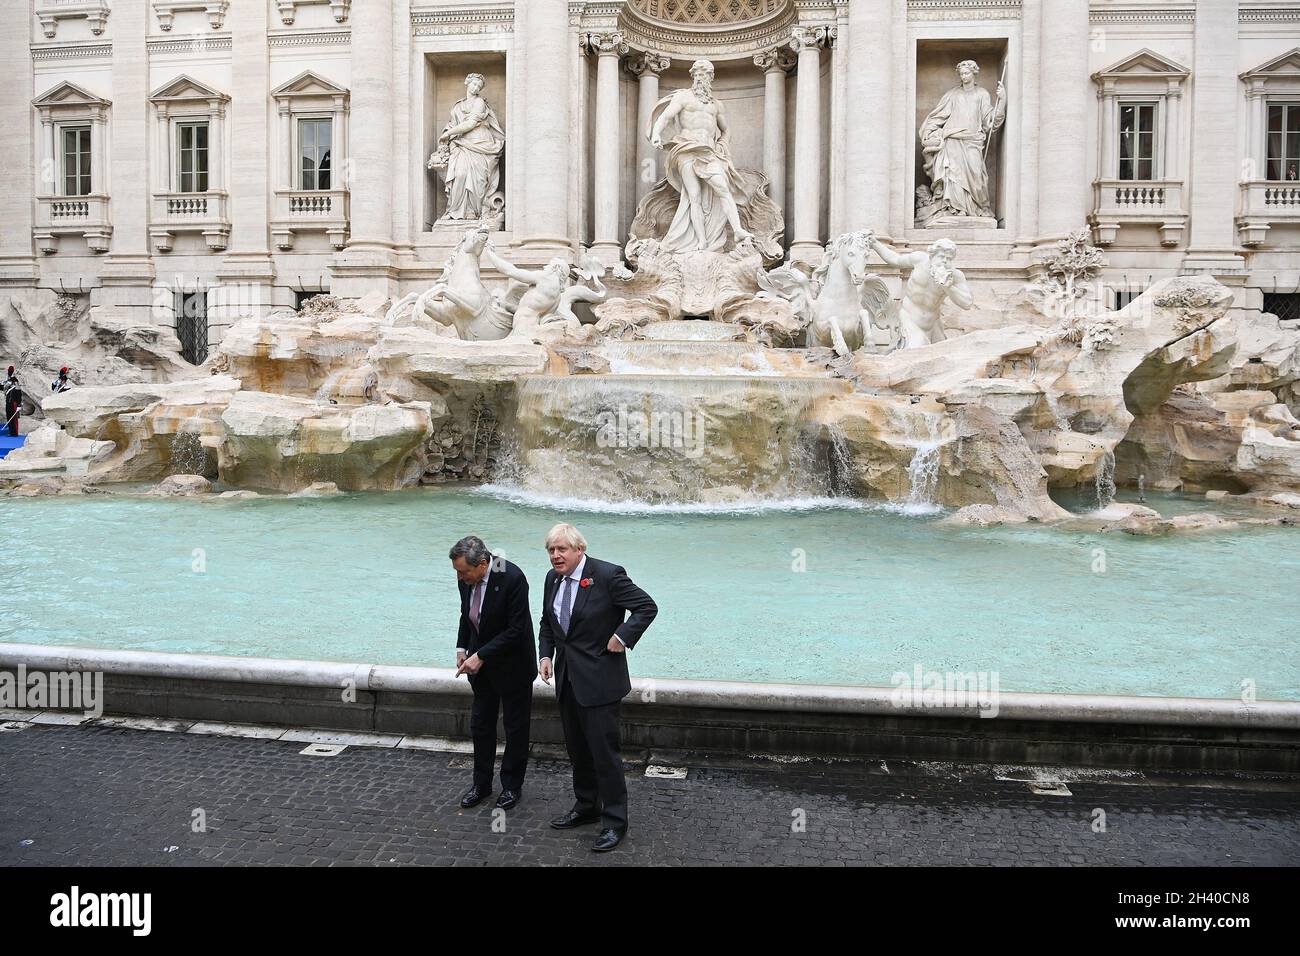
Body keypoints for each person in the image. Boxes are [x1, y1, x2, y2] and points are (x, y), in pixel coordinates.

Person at [538, 523, 657, 852]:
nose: (556, 555)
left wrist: (622, 637)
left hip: (601, 683)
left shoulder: (608, 575)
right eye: (551, 550)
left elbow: (646, 607)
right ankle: (586, 807)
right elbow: (547, 622)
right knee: (578, 751)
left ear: (579, 549)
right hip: (567, 680)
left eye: (562, 549)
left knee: (605, 756)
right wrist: (546, 655)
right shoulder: (551, 579)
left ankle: (615, 823)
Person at [449, 535, 537, 812]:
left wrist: (481, 655)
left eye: (463, 572)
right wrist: (462, 647)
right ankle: (481, 784)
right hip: (481, 667)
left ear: (483, 564)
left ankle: (511, 787)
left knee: (515, 728)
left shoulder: (513, 578)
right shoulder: (465, 579)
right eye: (458, 572)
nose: (460, 578)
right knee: (481, 726)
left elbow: (516, 630)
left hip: (513, 666)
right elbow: (467, 615)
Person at [648, 59, 754, 253]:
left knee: (723, 188)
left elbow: (726, 130)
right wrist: (656, 133)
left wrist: (722, 144)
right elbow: (666, 117)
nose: (699, 77)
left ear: (710, 77)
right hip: (686, 149)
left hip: (708, 152)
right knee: (693, 196)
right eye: (696, 74)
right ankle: (702, 242)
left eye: (703, 74)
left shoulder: (716, 105)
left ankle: (738, 230)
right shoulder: (683, 97)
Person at [918, 59, 1007, 222]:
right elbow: (938, 116)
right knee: (953, 177)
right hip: (952, 140)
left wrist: (1002, 101)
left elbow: (990, 122)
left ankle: (977, 208)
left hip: (973, 140)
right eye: (961, 74)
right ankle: (954, 209)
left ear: (974, 73)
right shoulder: (952, 95)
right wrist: (930, 131)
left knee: (976, 175)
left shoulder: (982, 94)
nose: (964, 76)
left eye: (967, 73)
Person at [869, 235, 974, 348]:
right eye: (941, 256)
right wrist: (875, 244)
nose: (944, 261)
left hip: (933, 324)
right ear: (932, 255)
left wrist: (948, 287)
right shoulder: (919, 260)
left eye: (948, 259)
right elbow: (894, 259)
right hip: (909, 319)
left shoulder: (955, 276)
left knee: (941, 354)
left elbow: (967, 303)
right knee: (917, 347)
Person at [430, 72, 506, 222]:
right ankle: (455, 211)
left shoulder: (480, 103)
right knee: (459, 174)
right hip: (462, 145)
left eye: (479, 86)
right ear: (467, 82)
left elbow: (471, 123)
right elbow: (452, 124)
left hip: (480, 143)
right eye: (474, 83)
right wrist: (447, 134)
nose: (476, 87)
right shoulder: (458, 105)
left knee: (478, 180)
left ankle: (473, 213)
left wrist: (449, 133)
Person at [3, 366, 22, 438]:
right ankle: (11, 432)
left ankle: (15, 433)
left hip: (14, 403)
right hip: (8, 402)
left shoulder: (16, 383)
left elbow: (19, 394)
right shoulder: (7, 382)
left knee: (14, 419)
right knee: (9, 417)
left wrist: (19, 405)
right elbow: (3, 387)